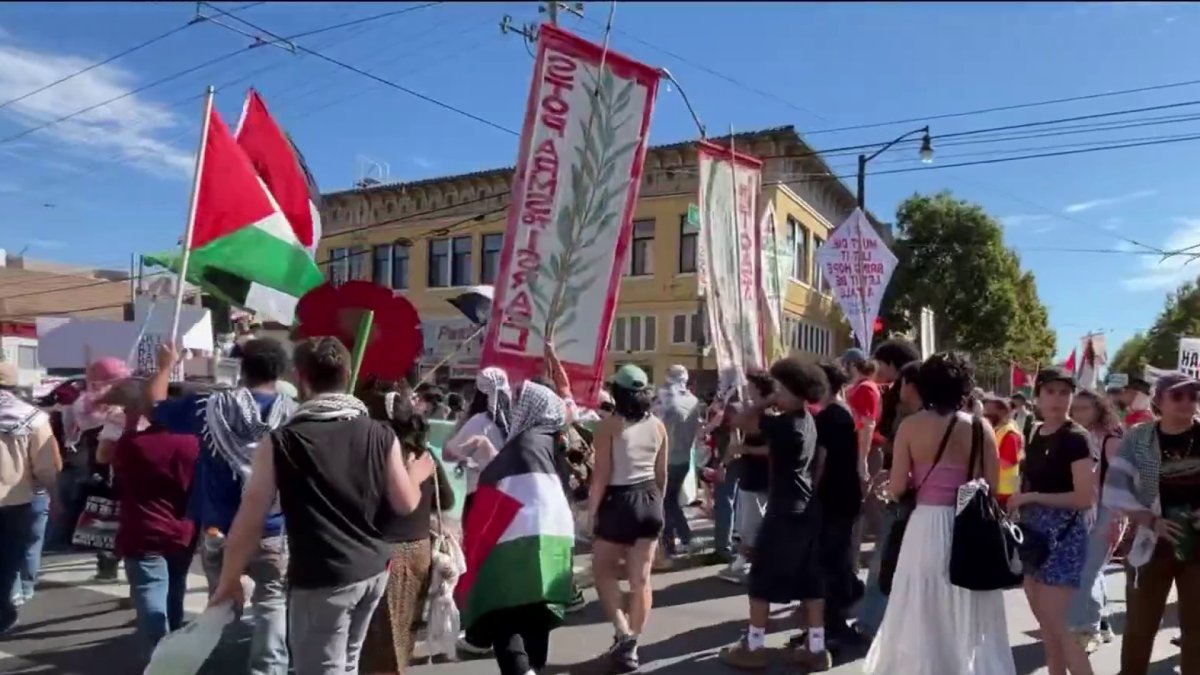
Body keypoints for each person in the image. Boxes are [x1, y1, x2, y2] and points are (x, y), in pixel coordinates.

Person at [210, 336, 436, 675]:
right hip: (373, 569)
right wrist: (415, 474)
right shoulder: (380, 434)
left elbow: (251, 516)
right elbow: (405, 503)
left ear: (300, 378)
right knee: (346, 663)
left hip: (323, 576)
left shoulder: (282, 440)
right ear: (346, 374)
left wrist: (229, 579)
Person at [864, 352, 1016, 675]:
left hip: (925, 525)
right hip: (968, 527)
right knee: (966, 604)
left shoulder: (910, 427)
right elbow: (990, 484)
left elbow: (898, 487)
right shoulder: (980, 427)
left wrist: (890, 490)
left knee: (922, 604)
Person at [149, 340, 295, 675]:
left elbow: (156, 405)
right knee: (272, 603)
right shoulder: (293, 414)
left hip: (220, 527)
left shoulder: (210, 407)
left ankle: (222, 664)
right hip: (273, 526)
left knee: (223, 600)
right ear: (281, 371)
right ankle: (268, 670)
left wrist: (165, 366)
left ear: (241, 369)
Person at [718, 358, 830, 672]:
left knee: (761, 579)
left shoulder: (785, 424)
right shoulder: (805, 420)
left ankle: (753, 647)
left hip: (784, 512)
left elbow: (740, 421)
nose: (775, 392)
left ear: (795, 390)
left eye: (780, 387)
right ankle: (817, 647)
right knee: (811, 581)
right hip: (806, 509)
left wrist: (764, 399)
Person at [457, 381, 575, 675]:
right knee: (537, 604)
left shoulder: (523, 442)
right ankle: (533, 666)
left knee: (502, 607)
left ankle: (523, 670)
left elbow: (492, 483)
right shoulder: (554, 439)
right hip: (555, 532)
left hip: (517, 535)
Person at [1103, 372, 1200, 675]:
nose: (1187, 402)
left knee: (1196, 630)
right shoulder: (1139, 436)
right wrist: (1150, 520)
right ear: (1159, 400)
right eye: (1177, 395)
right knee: (1139, 628)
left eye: (1193, 396)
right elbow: (1115, 488)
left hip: (1198, 546)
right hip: (1150, 543)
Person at [359, 384, 455, 675]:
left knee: (379, 638)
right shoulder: (422, 454)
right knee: (402, 632)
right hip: (418, 552)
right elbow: (447, 499)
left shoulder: (372, 456)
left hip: (386, 555)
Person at [103, 378, 199, 663]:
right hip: (182, 530)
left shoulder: (134, 444)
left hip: (142, 531)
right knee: (175, 591)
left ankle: (159, 656)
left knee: (149, 593)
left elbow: (111, 457)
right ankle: (175, 650)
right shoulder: (196, 445)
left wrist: (131, 418)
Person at [1010, 367, 1095, 675]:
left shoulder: (1076, 438)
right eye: (1050, 391)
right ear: (1038, 395)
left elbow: (1084, 498)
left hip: (1063, 538)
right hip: (1033, 535)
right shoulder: (1034, 431)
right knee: (1047, 628)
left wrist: (1032, 498)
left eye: (1064, 392)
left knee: (1061, 628)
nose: (1057, 399)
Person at [589, 365, 667, 672]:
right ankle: (633, 643)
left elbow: (601, 476)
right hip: (650, 500)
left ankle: (623, 634)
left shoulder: (610, 426)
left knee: (603, 571)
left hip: (619, 500)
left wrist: (592, 513)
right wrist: (660, 509)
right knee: (641, 580)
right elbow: (662, 476)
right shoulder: (658, 426)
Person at [0, 362, 60, 634]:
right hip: (16, 501)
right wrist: (55, 496)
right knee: (8, 559)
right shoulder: (32, 418)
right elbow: (46, 467)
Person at [1066, 389, 1123, 653]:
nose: (1078, 413)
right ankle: (1102, 625)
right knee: (1092, 569)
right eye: (1075, 408)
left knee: (1086, 570)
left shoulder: (1110, 439)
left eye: (1084, 408)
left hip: (1107, 511)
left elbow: (1123, 481)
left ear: (1099, 409)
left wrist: (1116, 518)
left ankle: (1087, 629)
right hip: (1084, 511)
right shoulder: (1077, 437)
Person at [811, 360, 861, 647]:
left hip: (833, 495)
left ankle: (835, 621)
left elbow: (821, 460)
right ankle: (844, 604)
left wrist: (811, 492)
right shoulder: (843, 412)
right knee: (838, 555)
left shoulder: (830, 416)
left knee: (831, 559)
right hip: (845, 493)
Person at [717, 370, 772, 584]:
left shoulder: (768, 414)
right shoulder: (754, 411)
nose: (746, 389)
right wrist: (725, 462)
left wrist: (744, 449)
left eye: (750, 386)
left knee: (752, 524)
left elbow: (772, 448)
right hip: (752, 475)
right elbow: (736, 426)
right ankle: (744, 562)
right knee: (748, 523)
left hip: (762, 476)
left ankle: (748, 565)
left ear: (758, 388)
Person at [655, 365, 704, 565]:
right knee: (671, 501)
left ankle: (673, 543)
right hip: (684, 458)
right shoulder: (693, 400)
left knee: (666, 502)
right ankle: (681, 539)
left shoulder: (667, 399)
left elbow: (658, 427)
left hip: (666, 458)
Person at [984, 395, 1024, 509]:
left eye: (988, 411)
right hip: (996, 490)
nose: (985, 415)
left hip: (1005, 493)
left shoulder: (1010, 435)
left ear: (1002, 412)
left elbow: (1006, 464)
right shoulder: (997, 430)